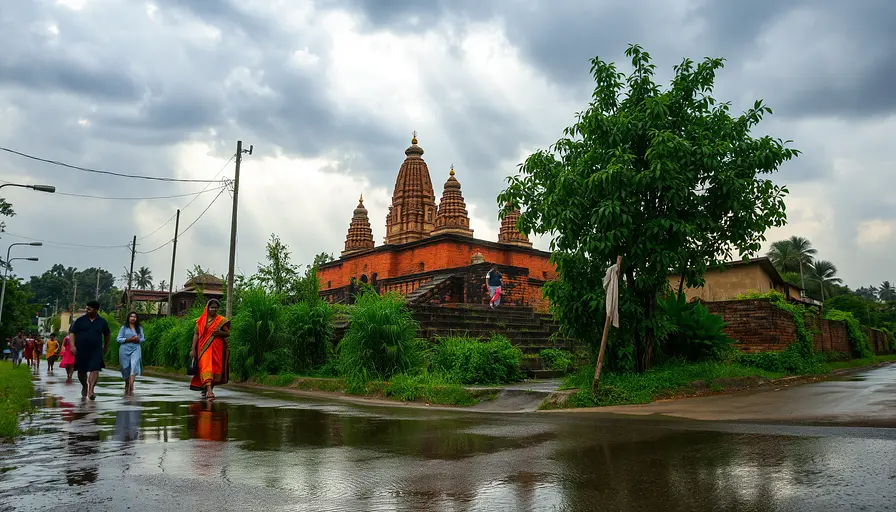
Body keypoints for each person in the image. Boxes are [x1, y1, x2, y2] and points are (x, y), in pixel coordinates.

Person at [69, 301, 111, 401]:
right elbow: (72, 333)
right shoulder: (80, 320)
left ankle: (91, 391)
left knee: (95, 368)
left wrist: (105, 346)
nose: (86, 310)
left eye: (89, 309)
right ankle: (85, 385)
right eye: (86, 308)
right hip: (81, 350)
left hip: (96, 350)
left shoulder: (102, 321)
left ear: (96, 310)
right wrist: (72, 346)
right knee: (81, 372)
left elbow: (107, 334)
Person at [189, 299, 230, 401]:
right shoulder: (201, 321)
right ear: (207, 308)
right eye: (212, 307)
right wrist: (193, 349)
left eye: (216, 308)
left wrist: (219, 332)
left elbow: (227, 333)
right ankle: (210, 392)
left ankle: (208, 388)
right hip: (203, 348)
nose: (214, 309)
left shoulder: (221, 320)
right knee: (206, 367)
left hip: (217, 348)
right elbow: (196, 334)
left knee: (215, 369)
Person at [117, 311, 144, 397]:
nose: (133, 318)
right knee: (125, 367)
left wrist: (138, 339)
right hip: (124, 349)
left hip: (136, 348)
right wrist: (129, 340)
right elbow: (118, 339)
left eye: (135, 317)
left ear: (136, 319)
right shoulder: (124, 328)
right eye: (131, 316)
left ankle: (131, 386)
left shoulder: (139, 328)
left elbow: (143, 338)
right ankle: (127, 382)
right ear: (128, 318)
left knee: (134, 364)